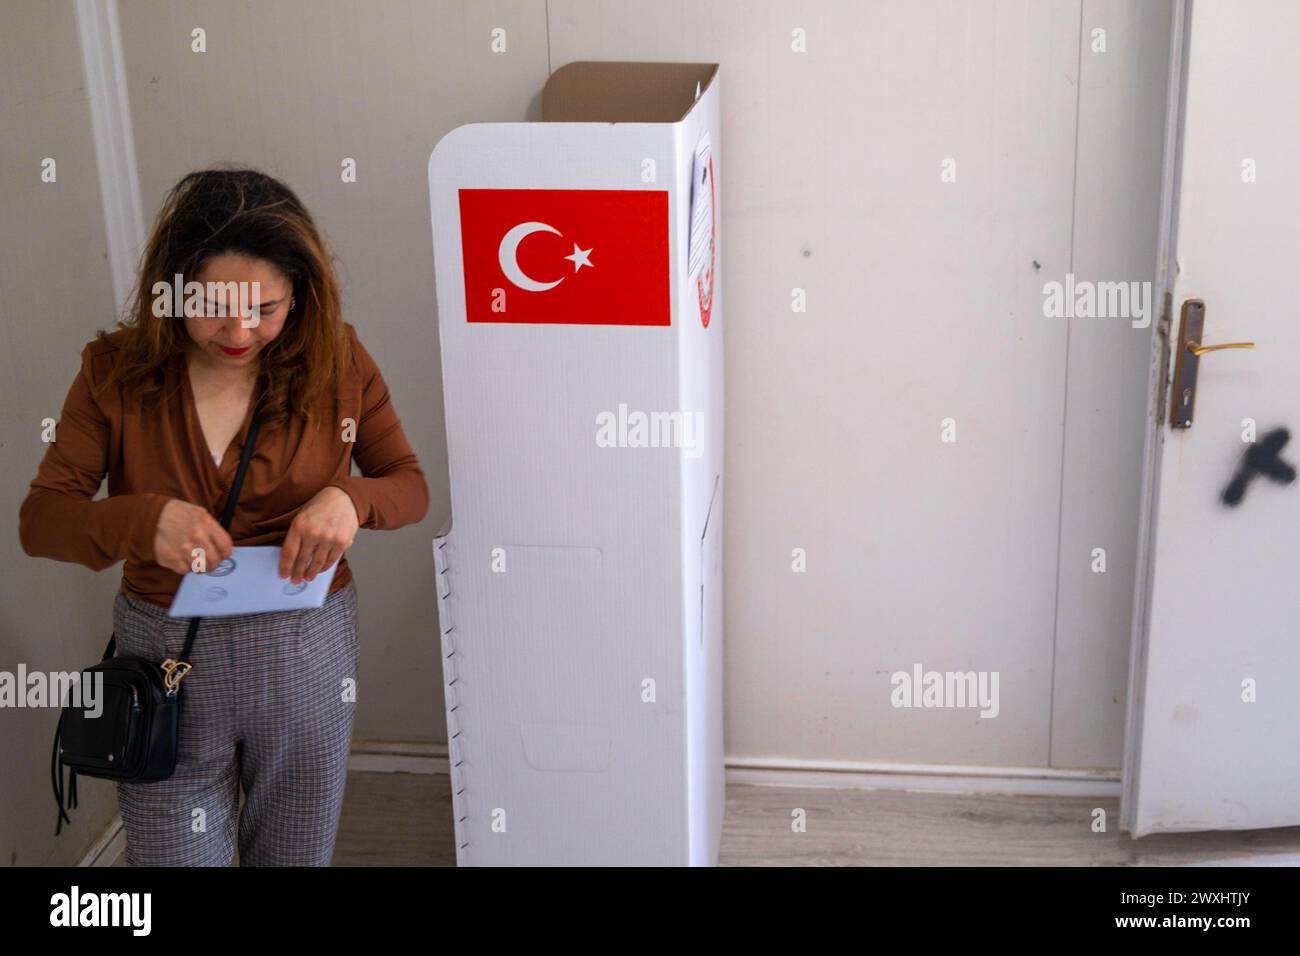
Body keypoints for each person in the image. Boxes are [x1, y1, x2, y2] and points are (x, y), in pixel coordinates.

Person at [18, 166, 429, 865]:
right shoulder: (112, 373)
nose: (238, 330)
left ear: (299, 294)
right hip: (167, 661)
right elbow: (41, 520)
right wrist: (142, 519)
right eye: (212, 305)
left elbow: (408, 486)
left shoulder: (339, 360)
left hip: (309, 652)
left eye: (265, 308)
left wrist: (349, 501)